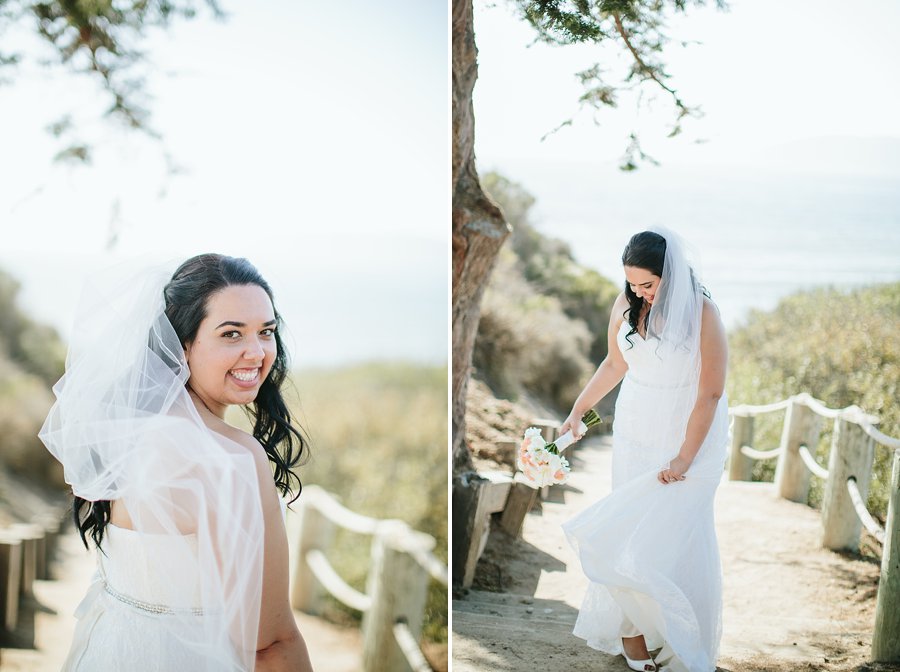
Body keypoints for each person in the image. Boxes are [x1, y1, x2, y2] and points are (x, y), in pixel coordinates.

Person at [39, 254, 314, 671]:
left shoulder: (128, 433)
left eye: (266, 331)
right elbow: (270, 641)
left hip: (108, 652)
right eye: (231, 334)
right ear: (182, 345)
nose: (256, 352)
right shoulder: (233, 458)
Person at [559, 229, 728, 672]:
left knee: (678, 535)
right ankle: (631, 631)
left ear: (670, 275)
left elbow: (710, 392)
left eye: (648, 285)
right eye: (632, 284)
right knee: (630, 529)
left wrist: (685, 457)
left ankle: (678, 632)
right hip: (637, 429)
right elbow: (615, 364)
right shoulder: (626, 305)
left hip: (687, 436)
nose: (639, 293)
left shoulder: (704, 314)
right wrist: (578, 411)